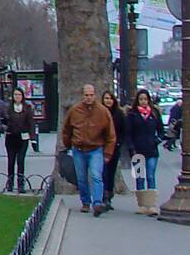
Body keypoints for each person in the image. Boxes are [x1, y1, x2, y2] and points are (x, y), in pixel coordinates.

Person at [60, 83, 117, 215]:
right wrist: (68, 144)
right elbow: (66, 130)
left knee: (96, 176)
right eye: (86, 95)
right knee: (81, 178)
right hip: (78, 148)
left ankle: (97, 203)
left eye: (91, 95)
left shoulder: (103, 111)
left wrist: (108, 153)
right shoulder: (74, 111)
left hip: (96, 148)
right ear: (82, 96)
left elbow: (111, 135)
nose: (89, 98)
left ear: (95, 95)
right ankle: (85, 201)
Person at [126, 89, 163, 215]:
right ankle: (142, 204)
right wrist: (131, 148)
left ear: (149, 100)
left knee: (151, 176)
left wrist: (157, 140)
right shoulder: (132, 115)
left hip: (152, 150)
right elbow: (128, 134)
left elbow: (161, 131)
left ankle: (151, 204)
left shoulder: (154, 114)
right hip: (137, 151)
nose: (143, 101)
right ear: (138, 100)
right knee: (140, 177)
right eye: (141, 99)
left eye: (145, 99)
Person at [4, 87, 37, 193]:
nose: (17, 97)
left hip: (23, 138)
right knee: (11, 161)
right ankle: (10, 182)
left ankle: (21, 184)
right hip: (11, 137)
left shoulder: (27, 108)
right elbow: (4, 120)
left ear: (22, 96)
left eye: (19, 95)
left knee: (21, 161)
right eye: (15, 95)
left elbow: (31, 123)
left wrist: (33, 138)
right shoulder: (8, 108)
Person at [100, 89, 126, 207]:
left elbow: (123, 130)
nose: (108, 101)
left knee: (111, 173)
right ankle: (103, 196)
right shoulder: (100, 113)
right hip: (101, 147)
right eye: (106, 98)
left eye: (110, 98)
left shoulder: (119, 114)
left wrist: (119, 143)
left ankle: (109, 195)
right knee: (102, 172)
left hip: (115, 147)